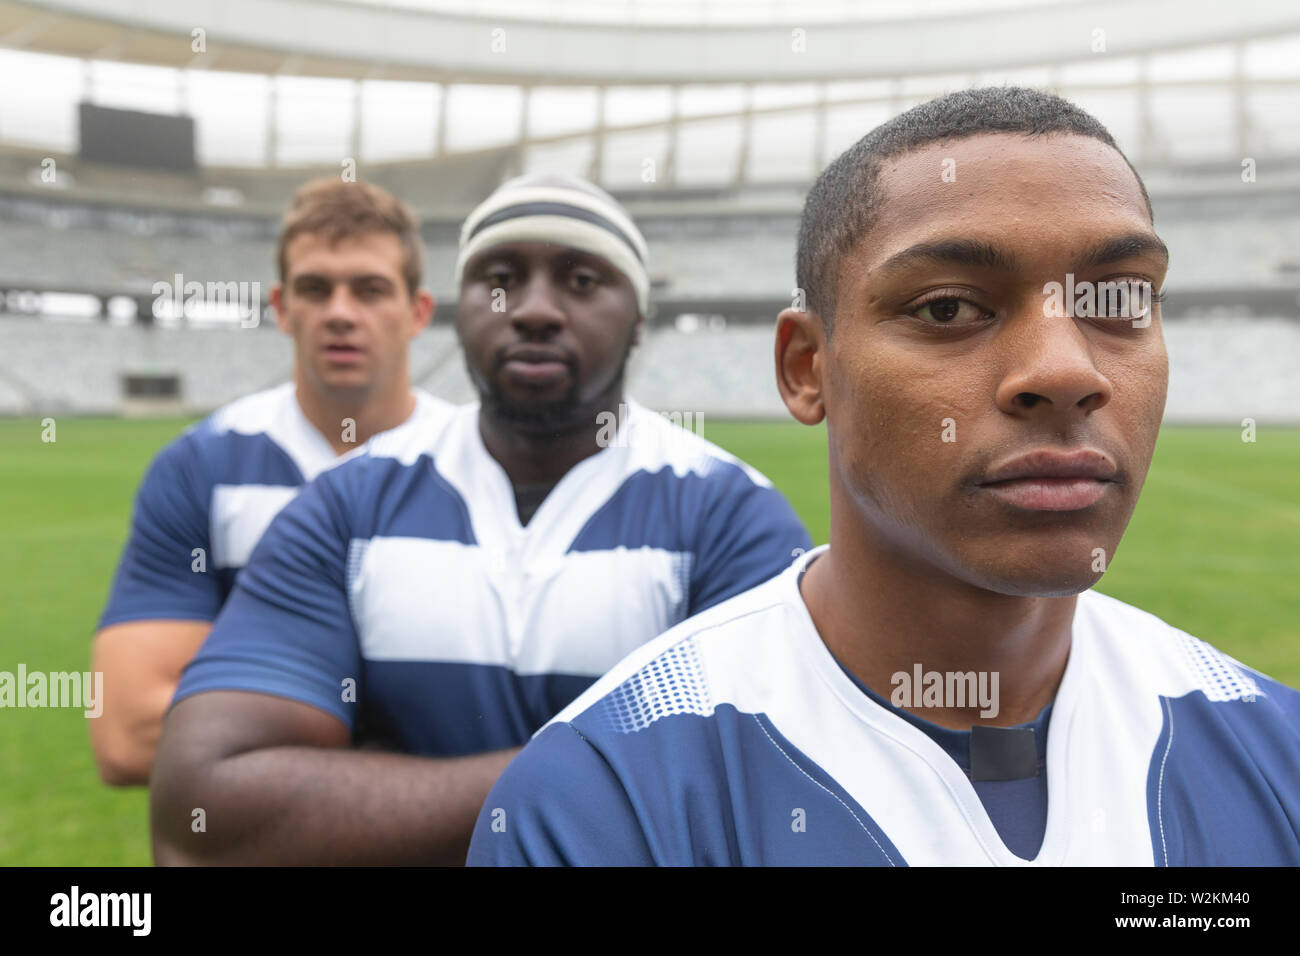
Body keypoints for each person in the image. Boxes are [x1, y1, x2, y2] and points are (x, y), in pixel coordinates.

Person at [468, 89, 1300, 866]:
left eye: (1119, 301)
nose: (1065, 369)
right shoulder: (604, 803)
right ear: (806, 368)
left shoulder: (1279, 754)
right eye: (947, 307)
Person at [149, 173, 812, 865]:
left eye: (582, 281)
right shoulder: (347, 505)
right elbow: (204, 812)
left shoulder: (729, 514)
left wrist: (373, 784)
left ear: (638, 318)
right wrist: (633, 770)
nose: (533, 310)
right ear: (459, 308)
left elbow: (770, 815)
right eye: (499, 278)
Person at [91, 178, 449, 785]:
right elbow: (128, 733)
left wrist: (257, 739)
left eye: (370, 289)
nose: (341, 312)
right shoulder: (202, 468)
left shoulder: (475, 465)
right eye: (316, 289)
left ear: (417, 313)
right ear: (282, 308)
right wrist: (414, 757)